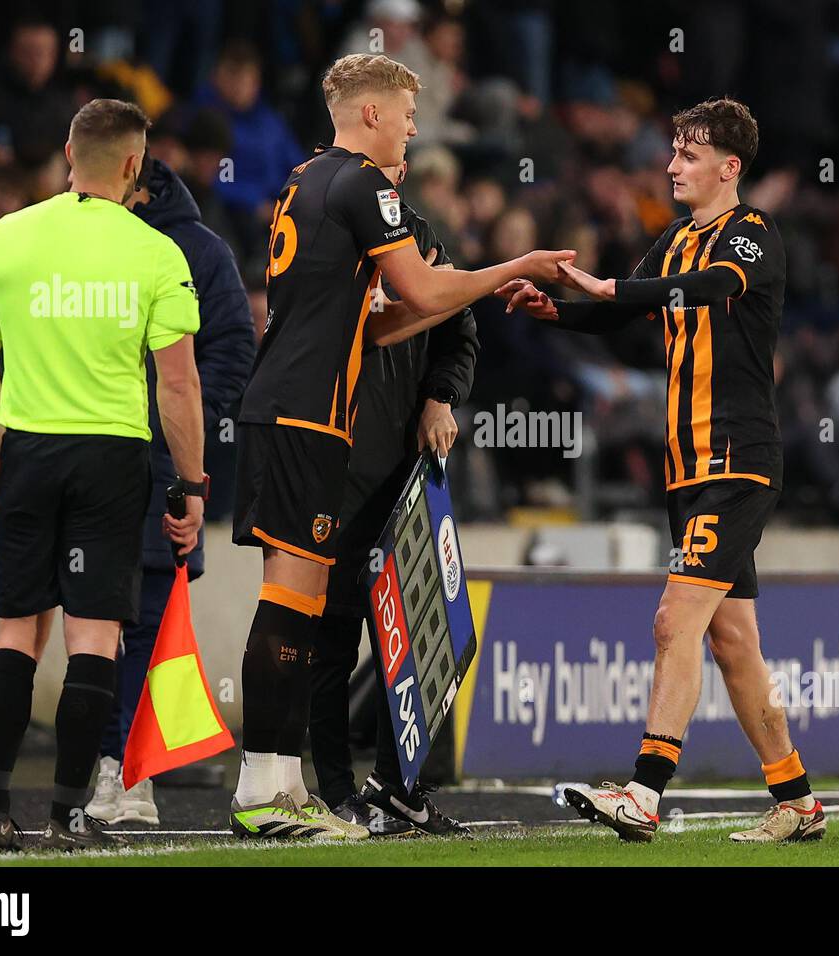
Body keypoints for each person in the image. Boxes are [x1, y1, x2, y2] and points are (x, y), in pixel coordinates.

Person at [227, 52, 573, 839]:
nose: (416, 128)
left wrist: (464, 295)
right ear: (371, 114)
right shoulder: (362, 183)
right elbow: (421, 289)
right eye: (408, 115)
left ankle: (281, 786)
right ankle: (261, 790)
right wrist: (512, 266)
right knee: (290, 603)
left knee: (305, 605)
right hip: (306, 416)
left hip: (294, 409)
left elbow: (383, 321)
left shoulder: (306, 180)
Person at [498, 97, 824, 844]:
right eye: (673, 151)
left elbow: (708, 291)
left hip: (735, 461)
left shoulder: (751, 236)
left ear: (729, 168)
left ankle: (644, 794)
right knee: (733, 643)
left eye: (689, 153)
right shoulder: (675, 239)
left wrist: (615, 290)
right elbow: (623, 310)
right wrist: (555, 309)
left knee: (674, 622)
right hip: (686, 470)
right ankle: (798, 802)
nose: (673, 164)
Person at [0, 99, 206, 851]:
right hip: (112, 458)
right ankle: (67, 817)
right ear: (135, 165)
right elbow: (180, 385)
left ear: (69, 151)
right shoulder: (158, 254)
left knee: (15, 631)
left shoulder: (6, 236)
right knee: (94, 637)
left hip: (29, 448)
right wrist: (191, 485)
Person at [306, 159, 477, 837]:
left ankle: (400, 785)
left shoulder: (422, 235)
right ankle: (336, 789)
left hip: (406, 472)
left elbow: (460, 332)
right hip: (337, 463)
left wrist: (440, 397)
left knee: (412, 636)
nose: (395, 175)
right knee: (333, 634)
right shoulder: (326, 241)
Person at [85, 153, 256, 826]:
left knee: (144, 628)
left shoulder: (196, 252)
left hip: (154, 464)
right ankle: (116, 772)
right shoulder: (97, 240)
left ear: (142, 187)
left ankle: (128, 776)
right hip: (97, 457)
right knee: (103, 623)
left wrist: (169, 425)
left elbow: (232, 351)